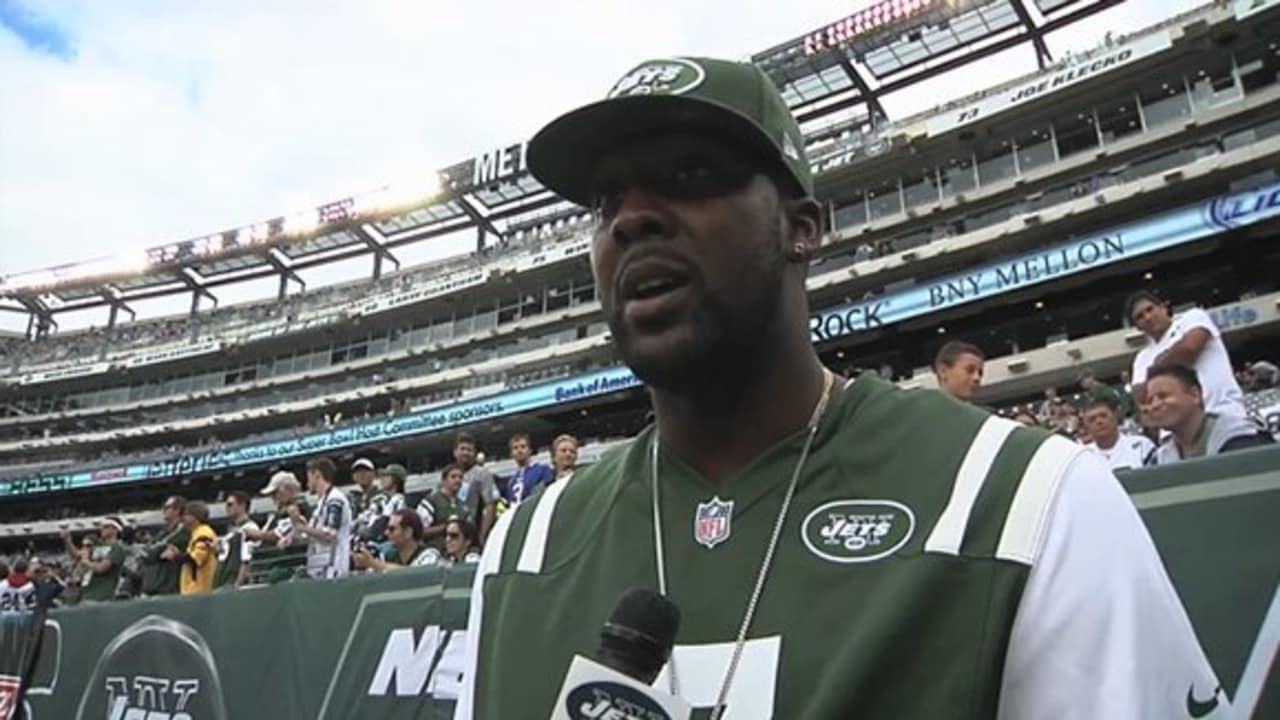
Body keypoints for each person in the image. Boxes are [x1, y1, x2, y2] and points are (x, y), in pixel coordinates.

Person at [454, 56, 1221, 718]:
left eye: (689, 175)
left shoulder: (1024, 499)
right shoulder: (525, 550)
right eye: (605, 201)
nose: (631, 219)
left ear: (803, 226)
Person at [1126, 291, 1246, 418]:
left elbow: (1188, 350)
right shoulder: (1141, 358)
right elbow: (1141, 396)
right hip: (1175, 430)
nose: (1147, 317)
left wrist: (1154, 370)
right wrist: (1171, 358)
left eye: (1150, 309)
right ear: (1137, 327)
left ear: (1163, 308)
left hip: (1221, 411)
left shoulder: (1192, 318)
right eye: (1140, 317)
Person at [1144, 364, 1274, 465]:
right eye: (1150, 400)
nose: (1155, 405)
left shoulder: (1244, 438)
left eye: (1163, 396)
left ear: (1195, 395)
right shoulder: (1159, 459)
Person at [291, 457, 352, 580]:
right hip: (318, 567)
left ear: (317, 475)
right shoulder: (321, 502)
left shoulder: (335, 499)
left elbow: (329, 534)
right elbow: (313, 533)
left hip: (334, 566)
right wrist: (297, 532)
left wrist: (301, 527)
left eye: (309, 477)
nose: (307, 483)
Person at [62, 517, 126, 604]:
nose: (102, 529)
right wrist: (67, 540)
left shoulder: (117, 548)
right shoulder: (97, 545)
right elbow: (77, 555)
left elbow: (102, 568)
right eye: (102, 526)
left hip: (101, 595)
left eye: (106, 526)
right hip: (86, 593)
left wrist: (86, 562)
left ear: (115, 530)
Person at [1081, 397, 1155, 471]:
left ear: (1115, 417)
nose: (1099, 421)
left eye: (1103, 416)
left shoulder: (1142, 445)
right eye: (1092, 419)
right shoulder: (1084, 455)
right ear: (1086, 427)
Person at [138, 496, 190, 596]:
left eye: (167, 507)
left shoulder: (182, 532)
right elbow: (146, 553)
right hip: (152, 588)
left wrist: (151, 553)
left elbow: (151, 554)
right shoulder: (162, 533)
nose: (164, 510)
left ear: (177, 510)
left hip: (169, 589)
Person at [452, 433, 499, 544]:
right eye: (462, 449)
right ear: (455, 452)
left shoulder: (482, 473)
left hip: (473, 532)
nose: (465, 453)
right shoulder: (449, 474)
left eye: (469, 450)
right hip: (453, 533)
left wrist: (483, 535)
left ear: (475, 453)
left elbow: (490, 505)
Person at [354, 509, 436, 571]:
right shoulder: (388, 556)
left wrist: (374, 564)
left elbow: (416, 577)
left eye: (391, 529)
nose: (386, 533)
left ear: (408, 532)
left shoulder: (430, 554)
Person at [164, 500, 218, 595]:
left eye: (186, 514)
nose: (183, 518)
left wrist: (175, 556)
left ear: (195, 517)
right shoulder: (196, 533)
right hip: (193, 590)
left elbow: (196, 559)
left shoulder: (203, 532)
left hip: (199, 590)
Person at [417, 464, 469, 551]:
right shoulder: (431, 501)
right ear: (444, 480)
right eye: (453, 477)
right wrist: (444, 528)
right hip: (434, 550)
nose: (458, 480)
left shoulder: (463, 506)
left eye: (460, 477)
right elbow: (419, 531)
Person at [214, 491, 259, 589]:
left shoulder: (250, 528)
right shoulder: (230, 532)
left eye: (230, 504)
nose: (227, 508)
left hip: (232, 584)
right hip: (221, 582)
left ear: (242, 505)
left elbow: (246, 560)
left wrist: (237, 585)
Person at [505, 433, 554, 504]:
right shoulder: (511, 481)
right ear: (511, 454)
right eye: (515, 448)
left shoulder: (542, 470)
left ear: (530, 450)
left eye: (523, 446)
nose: (519, 450)